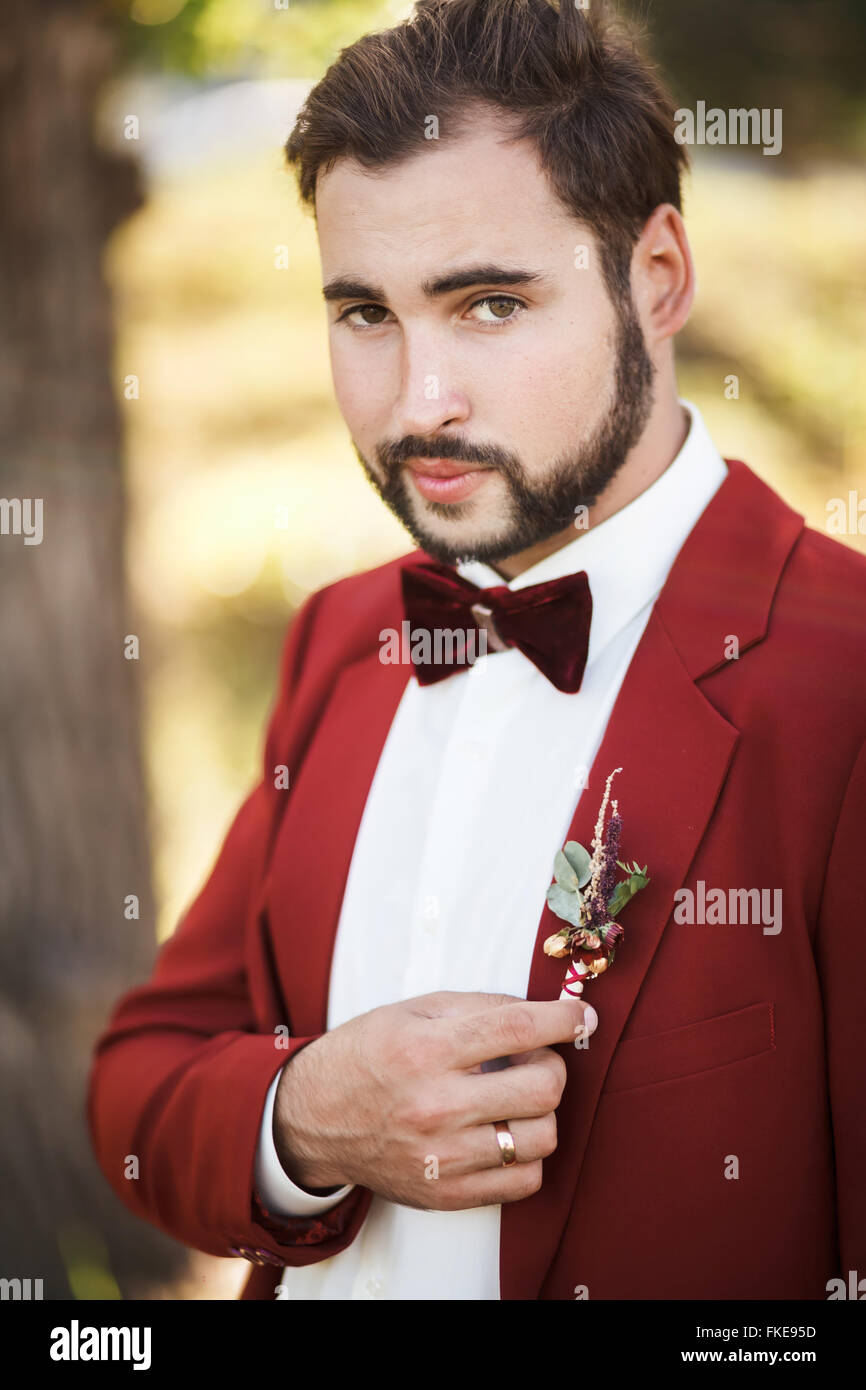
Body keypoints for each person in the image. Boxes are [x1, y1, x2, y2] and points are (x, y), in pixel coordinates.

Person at [88, 0, 866, 1300]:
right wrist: (296, 1118)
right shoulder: (343, 637)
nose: (415, 400)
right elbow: (142, 1080)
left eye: (489, 304)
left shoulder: (838, 677)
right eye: (364, 314)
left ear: (657, 276)